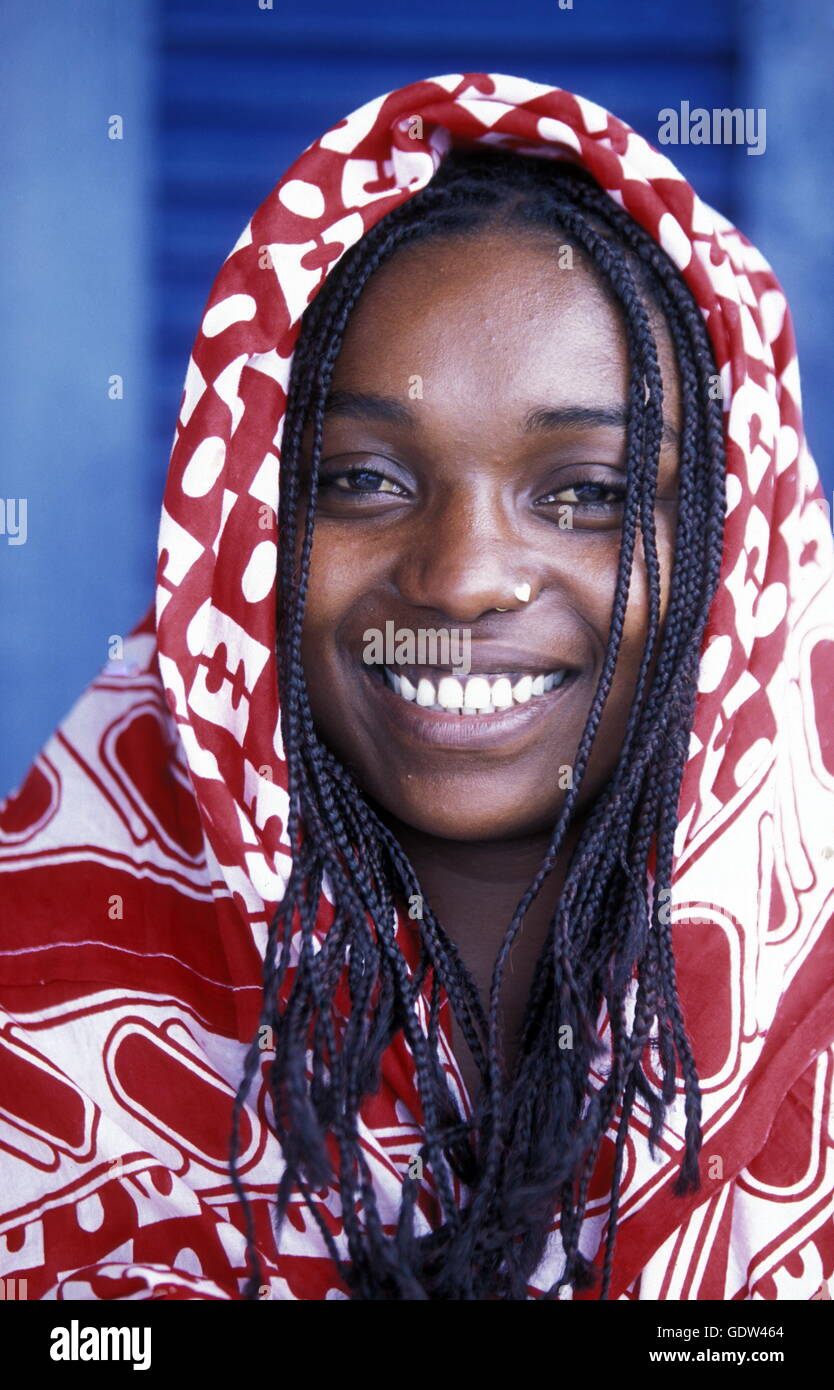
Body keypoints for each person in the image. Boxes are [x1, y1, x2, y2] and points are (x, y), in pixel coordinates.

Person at [0, 72, 832, 1302]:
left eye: (587, 492)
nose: (461, 579)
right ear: (248, 544)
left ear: (734, 553)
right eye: (364, 480)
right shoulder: (50, 974)